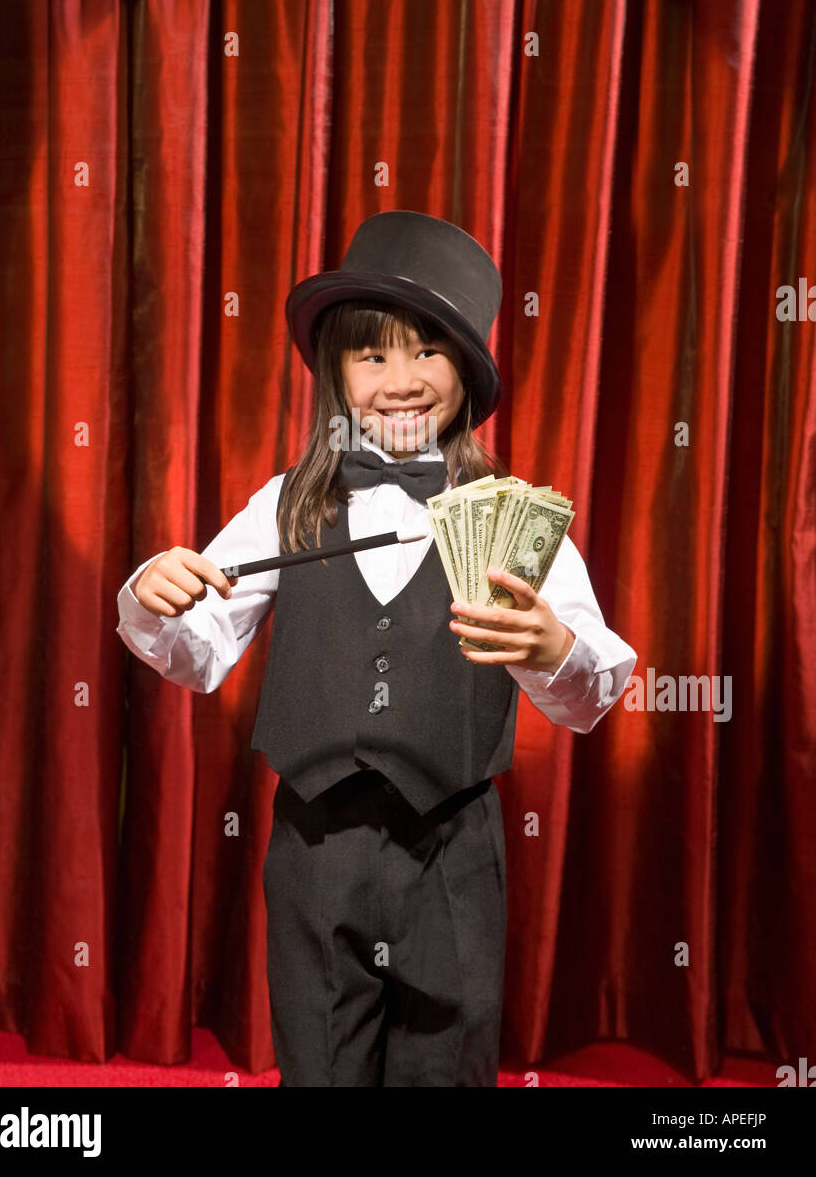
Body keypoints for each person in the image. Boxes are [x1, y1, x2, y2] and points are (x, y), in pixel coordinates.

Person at [116, 209, 636, 1087]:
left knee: (447, 1069)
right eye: (372, 355)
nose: (400, 381)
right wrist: (148, 595)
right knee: (318, 1067)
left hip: (452, 849)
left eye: (427, 351)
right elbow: (201, 652)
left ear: (467, 373)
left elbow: (589, 696)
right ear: (336, 372)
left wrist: (552, 647)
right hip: (315, 849)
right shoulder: (286, 502)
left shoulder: (510, 516)